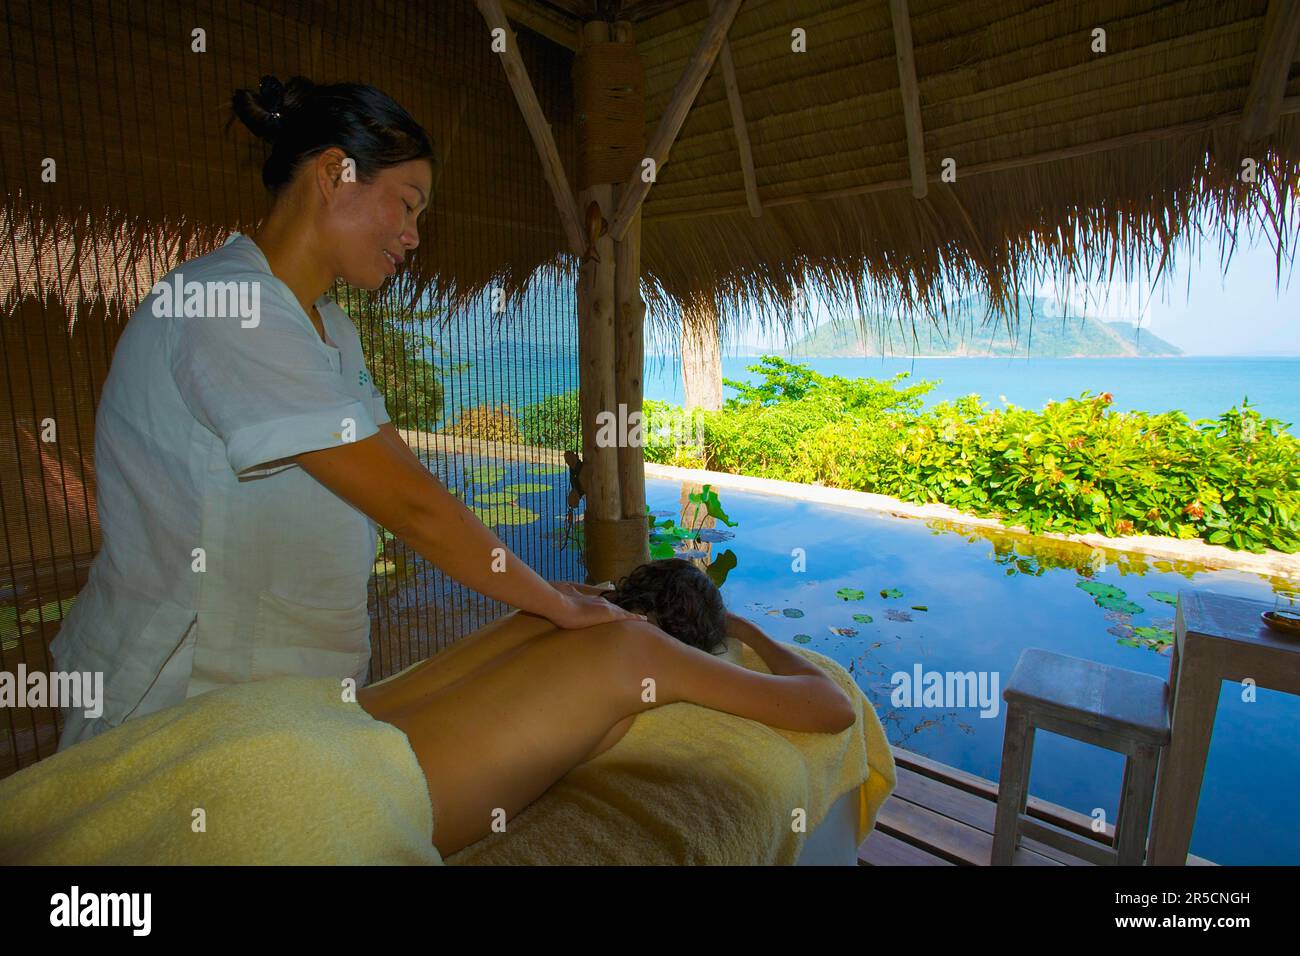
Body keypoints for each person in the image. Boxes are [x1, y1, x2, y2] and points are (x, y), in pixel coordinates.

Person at [49, 75, 643, 751]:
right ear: (337, 172)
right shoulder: (224, 306)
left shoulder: (328, 326)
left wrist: (534, 588)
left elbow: (403, 472)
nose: (414, 237)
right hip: (183, 703)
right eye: (407, 205)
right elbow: (410, 510)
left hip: (283, 702)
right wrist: (551, 601)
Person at [353, 559, 856, 857]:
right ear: (692, 641)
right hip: (373, 811)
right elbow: (833, 708)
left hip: (337, 731)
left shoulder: (556, 602)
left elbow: (596, 594)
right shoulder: (650, 651)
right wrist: (750, 631)